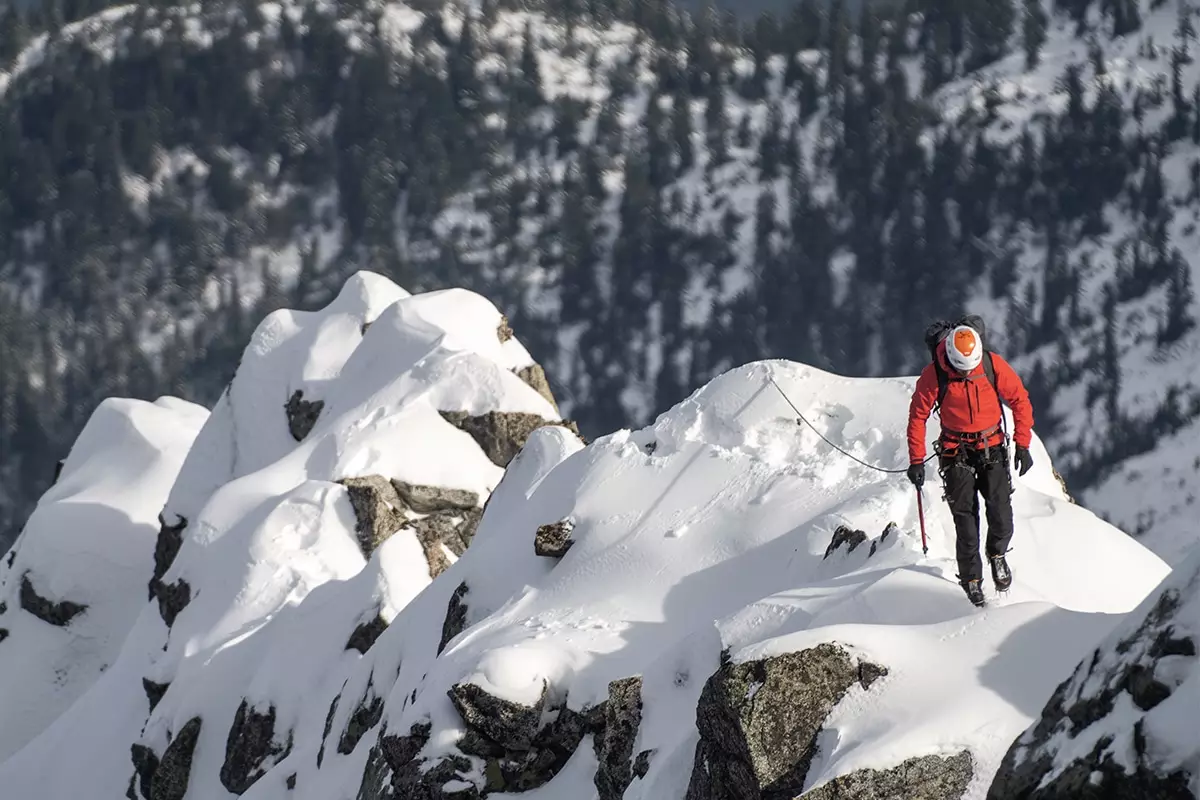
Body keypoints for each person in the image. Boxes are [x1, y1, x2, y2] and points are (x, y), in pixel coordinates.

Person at [906, 321, 1035, 607]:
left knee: (1001, 513)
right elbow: (918, 416)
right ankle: (971, 580)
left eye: (969, 368)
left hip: (992, 448)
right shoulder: (935, 375)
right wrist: (916, 460)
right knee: (965, 521)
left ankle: (997, 554)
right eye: (961, 369)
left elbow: (1019, 400)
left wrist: (1023, 444)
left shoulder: (990, 364)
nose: (965, 373)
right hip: (956, 452)